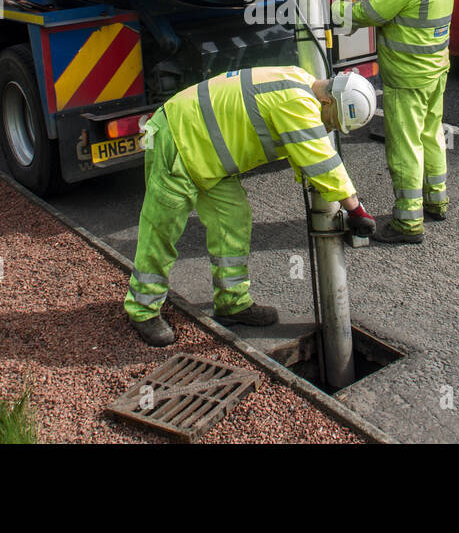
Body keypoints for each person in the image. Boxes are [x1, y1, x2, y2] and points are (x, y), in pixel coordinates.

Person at [124, 66, 377, 347]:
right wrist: (356, 210)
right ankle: (143, 309)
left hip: (207, 150)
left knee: (233, 220)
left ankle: (232, 303)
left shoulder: (299, 80)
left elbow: (302, 147)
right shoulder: (297, 102)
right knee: (162, 228)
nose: (329, 128)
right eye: (333, 120)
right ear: (328, 100)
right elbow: (321, 161)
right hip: (179, 138)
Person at [331, 0, 455, 244]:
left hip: (407, 76)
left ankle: (408, 222)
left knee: (405, 146)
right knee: (431, 134)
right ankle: (436, 200)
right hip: (436, 71)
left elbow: (367, 12)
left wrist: (330, 3)